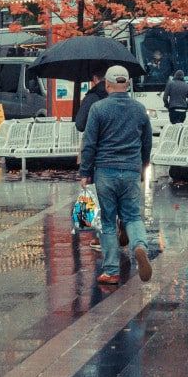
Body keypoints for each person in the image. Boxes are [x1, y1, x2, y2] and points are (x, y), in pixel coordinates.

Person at [78, 65, 153, 286]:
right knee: (132, 216)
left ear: (107, 85)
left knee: (108, 221)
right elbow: (147, 142)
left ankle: (111, 271)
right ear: (127, 85)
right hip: (130, 170)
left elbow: (89, 143)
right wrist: (143, 165)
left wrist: (85, 172)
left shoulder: (98, 109)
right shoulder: (139, 109)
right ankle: (139, 246)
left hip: (105, 172)